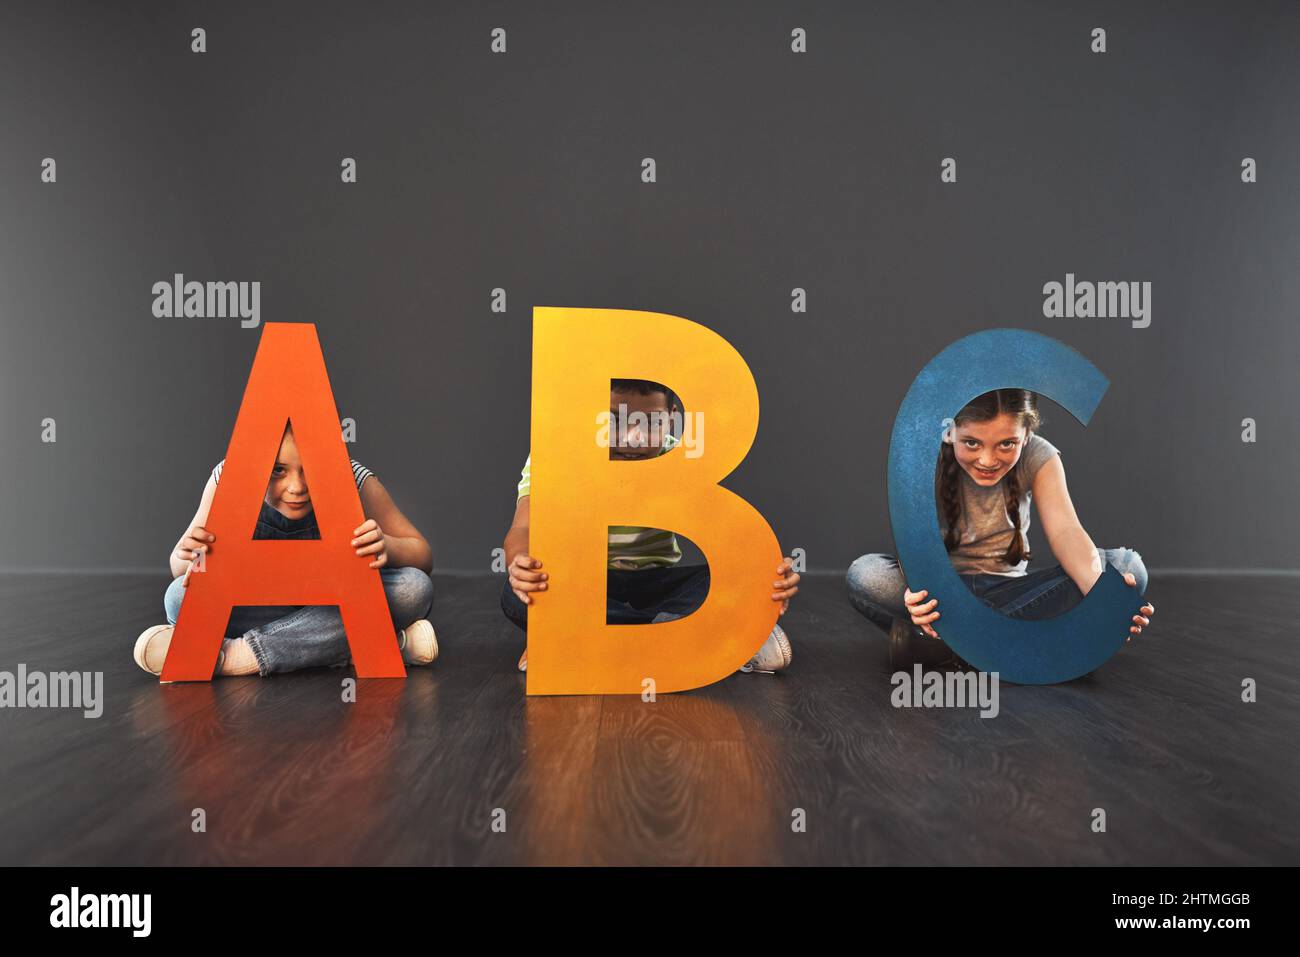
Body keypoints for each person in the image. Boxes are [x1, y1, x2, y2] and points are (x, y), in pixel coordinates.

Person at [501, 378, 799, 674]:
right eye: (614, 420)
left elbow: (733, 540)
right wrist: (519, 564)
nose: (633, 439)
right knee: (517, 596)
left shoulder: (680, 459)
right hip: (579, 583)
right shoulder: (559, 456)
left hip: (658, 582)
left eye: (651, 423)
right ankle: (686, 636)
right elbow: (522, 528)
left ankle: (582, 640)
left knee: (734, 577)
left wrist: (764, 574)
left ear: (671, 418)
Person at [846, 389, 1154, 669]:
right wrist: (917, 593)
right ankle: (1017, 644)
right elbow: (911, 539)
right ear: (949, 432)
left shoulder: (1039, 455)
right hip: (942, 592)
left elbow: (1067, 532)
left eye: (1007, 444)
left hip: (1014, 591)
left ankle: (951, 648)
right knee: (866, 573)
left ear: (1027, 433)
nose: (988, 459)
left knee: (1127, 566)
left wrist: (1101, 597)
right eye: (971, 443)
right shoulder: (924, 453)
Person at [133, 423, 437, 677]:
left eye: (310, 469)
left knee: (413, 589)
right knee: (177, 597)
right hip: (263, 607)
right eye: (278, 470)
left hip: (334, 606)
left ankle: (234, 657)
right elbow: (180, 565)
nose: (297, 487)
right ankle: (377, 645)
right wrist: (190, 555)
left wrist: (387, 544)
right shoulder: (228, 477)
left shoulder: (355, 479)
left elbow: (422, 555)